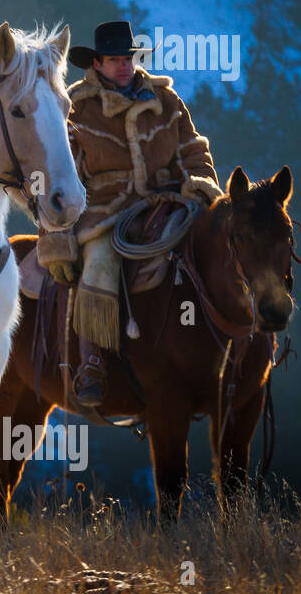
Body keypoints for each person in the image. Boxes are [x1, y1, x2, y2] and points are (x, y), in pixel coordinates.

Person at [39, 21, 221, 406]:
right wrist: (57, 240)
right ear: (98, 64)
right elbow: (59, 175)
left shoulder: (166, 100)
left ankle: (224, 348)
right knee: (100, 264)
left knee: (214, 253)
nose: (124, 66)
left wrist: (200, 189)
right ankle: (91, 365)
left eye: (128, 58)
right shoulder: (77, 108)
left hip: (170, 203)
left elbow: (194, 150)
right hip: (105, 213)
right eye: (114, 60)